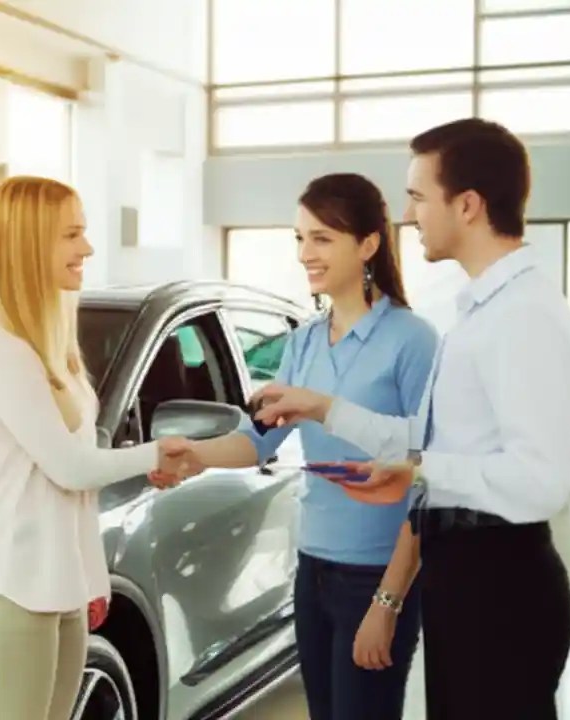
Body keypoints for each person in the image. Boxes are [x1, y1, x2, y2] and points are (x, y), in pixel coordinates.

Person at [252, 119, 570, 719]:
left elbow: (543, 481)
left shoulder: (523, 314)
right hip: (465, 575)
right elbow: (429, 439)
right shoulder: (481, 310)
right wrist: (324, 408)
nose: (407, 217)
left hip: (502, 583)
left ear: (468, 205)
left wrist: (419, 470)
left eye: (418, 197)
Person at [153, 173, 440, 720]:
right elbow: (258, 440)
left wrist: (388, 601)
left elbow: (429, 479)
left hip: (378, 575)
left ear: (368, 245)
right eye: (300, 238)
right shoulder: (305, 339)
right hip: (312, 571)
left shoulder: (413, 340)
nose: (305, 253)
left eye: (322, 239)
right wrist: (194, 455)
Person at [0, 176, 192, 720]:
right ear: (31, 243)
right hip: (11, 590)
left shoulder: (52, 346)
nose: (87, 248)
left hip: (57, 589)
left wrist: (90, 577)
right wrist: (155, 454)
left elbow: (74, 490)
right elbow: (71, 468)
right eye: (72, 234)